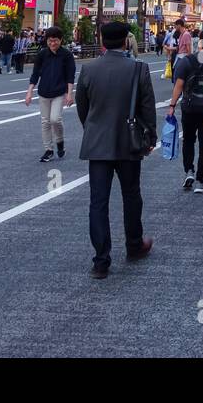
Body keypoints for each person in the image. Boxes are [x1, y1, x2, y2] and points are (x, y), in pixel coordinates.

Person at [75, 20, 156, 279]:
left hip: (98, 142)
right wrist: (150, 137)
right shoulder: (138, 69)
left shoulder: (88, 70)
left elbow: (82, 107)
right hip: (128, 142)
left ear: (101, 41)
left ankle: (101, 260)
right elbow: (147, 108)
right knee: (131, 194)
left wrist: (93, 128)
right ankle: (134, 244)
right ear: (126, 41)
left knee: (98, 202)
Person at [169, 28, 203, 194]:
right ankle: (201, 181)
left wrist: (172, 106)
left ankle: (189, 172)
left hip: (189, 107)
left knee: (189, 140)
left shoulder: (187, 61)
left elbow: (178, 85)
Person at [25, 26, 75, 162]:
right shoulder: (42, 55)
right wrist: (29, 92)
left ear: (61, 40)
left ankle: (60, 141)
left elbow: (71, 76)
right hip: (43, 92)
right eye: (50, 41)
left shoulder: (66, 55)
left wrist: (69, 94)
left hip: (59, 92)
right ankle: (48, 149)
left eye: (55, 41)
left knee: (55, 119)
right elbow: (35, 74)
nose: (53, 44)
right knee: (45, 122)